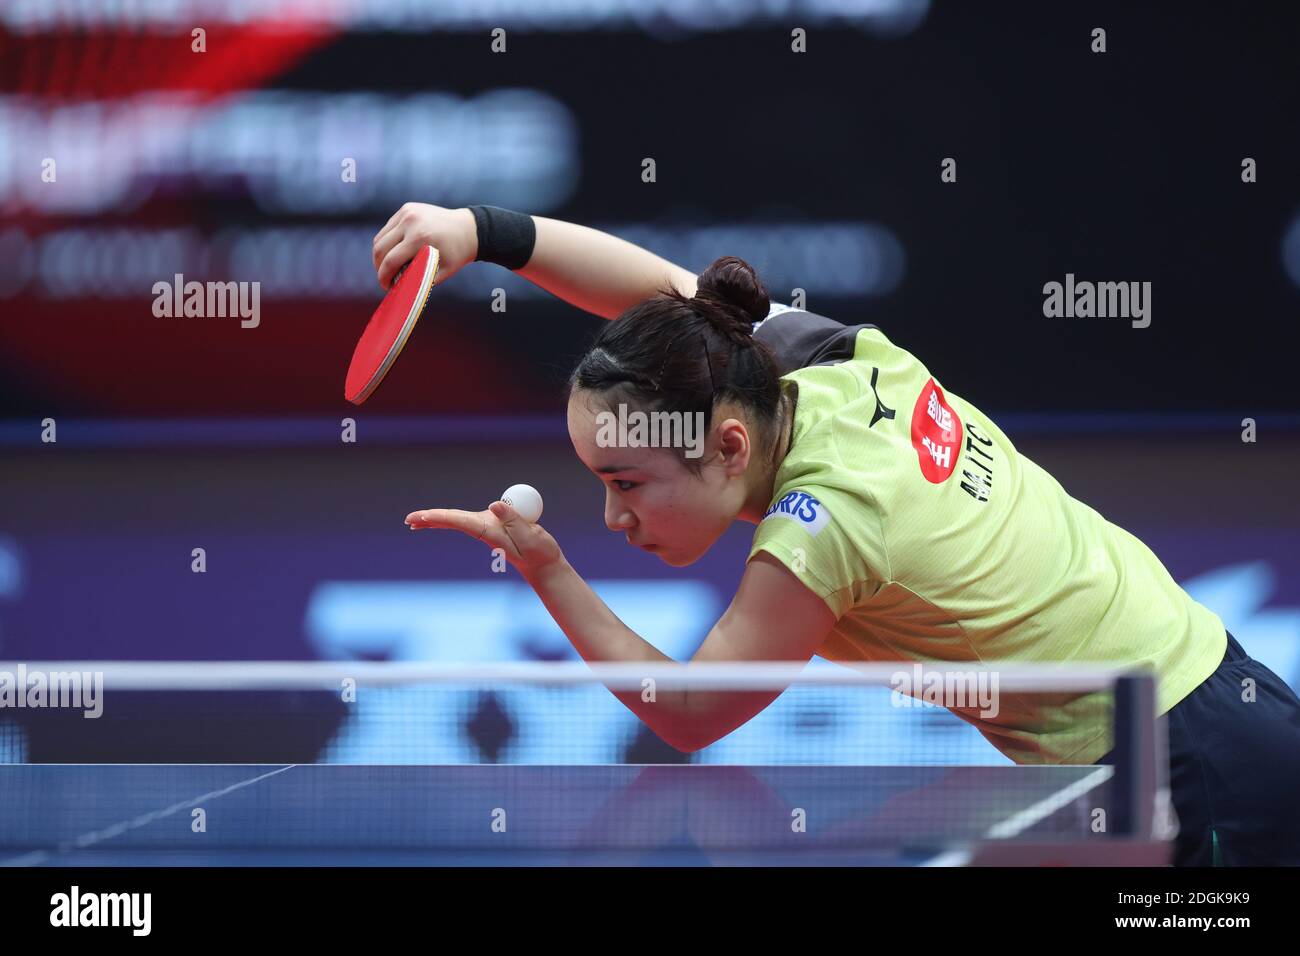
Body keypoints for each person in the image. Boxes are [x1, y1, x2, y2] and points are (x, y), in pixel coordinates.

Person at [374, 203, 1300, 866]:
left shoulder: (829, 523)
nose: (614, 517)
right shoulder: (812, 360)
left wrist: (547, 569)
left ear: (726, 445)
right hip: (1211, 701)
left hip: (1191, 770)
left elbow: (689, 714)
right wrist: (481, 233)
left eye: (627, 483)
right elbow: (668, 295)